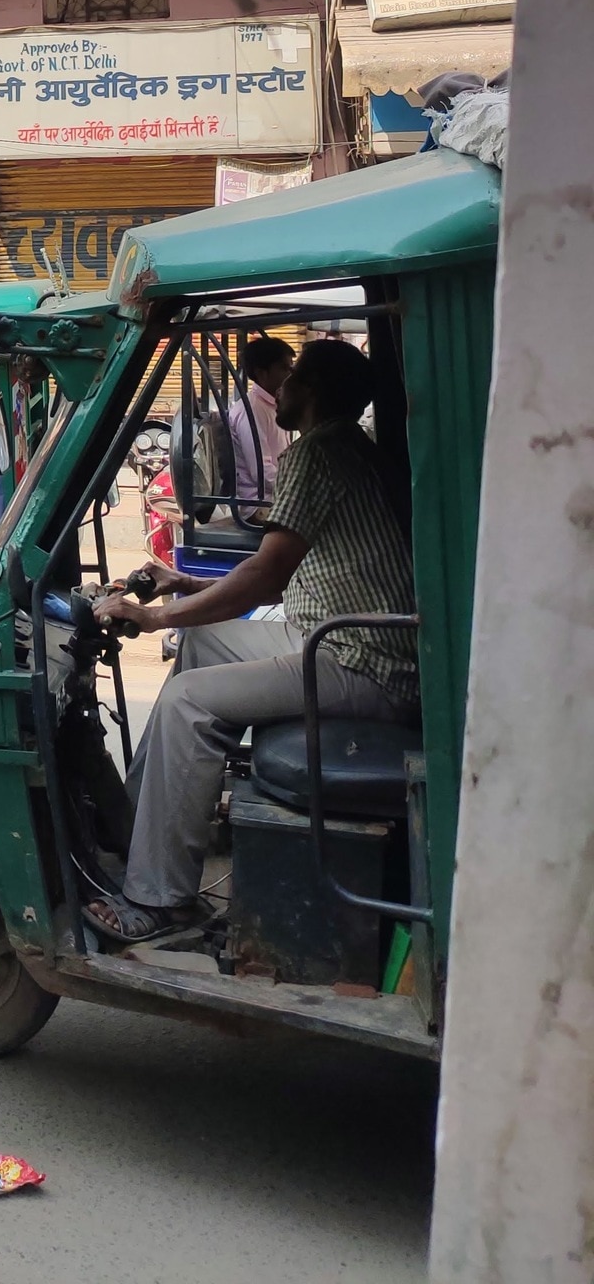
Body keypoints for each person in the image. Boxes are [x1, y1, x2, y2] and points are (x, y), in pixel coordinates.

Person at [86, 339, 418, 944]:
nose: (279, 388)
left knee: (188, 701)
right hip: (333, 635)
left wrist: (156, 618)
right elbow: (281, 568)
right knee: (203, 643)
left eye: (291, 378)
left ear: (311, 390)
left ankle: (159, 899)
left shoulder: (318, 452)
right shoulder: (346, 447)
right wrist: (185, 585)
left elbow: (265, 576)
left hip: (359, 659)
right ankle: (140, 833)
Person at [226, 335, 293, 518]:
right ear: (262, 373)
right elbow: (262, 472)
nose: (290, 375)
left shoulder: (273, 405)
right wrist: (295, 489)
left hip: (276, 496)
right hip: (258, 504)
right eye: (284, 368)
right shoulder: (252, 410)